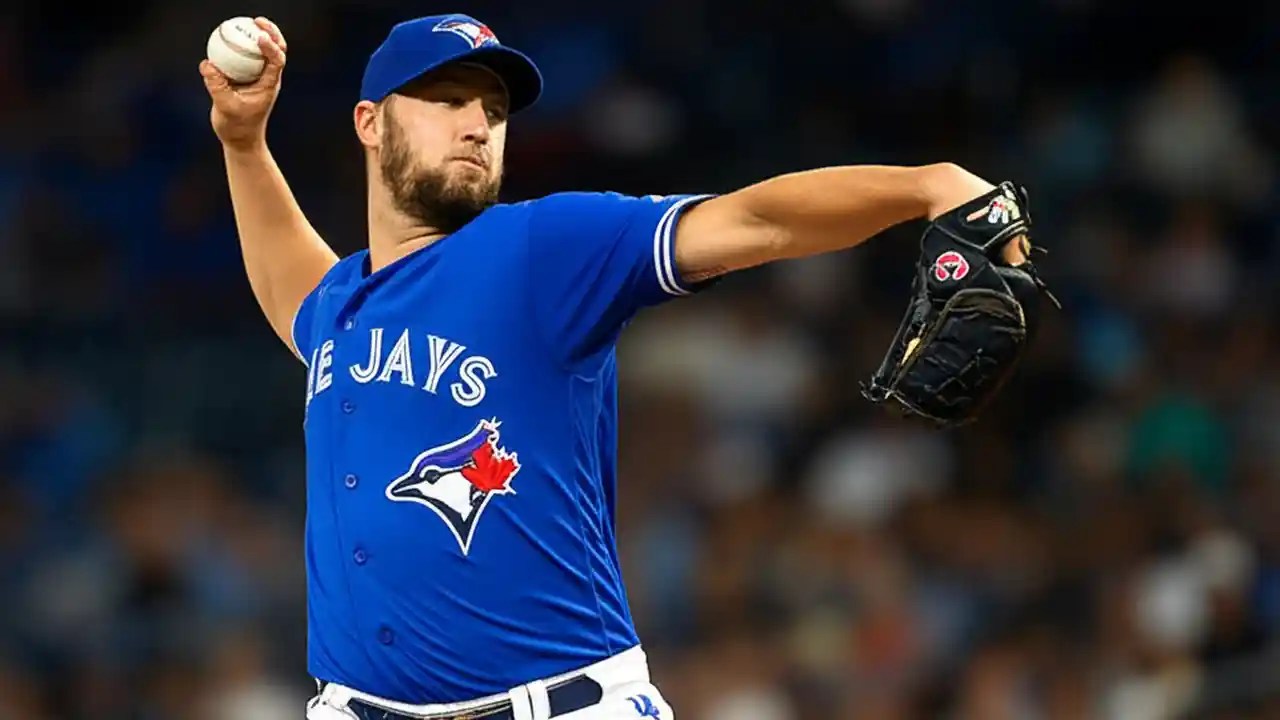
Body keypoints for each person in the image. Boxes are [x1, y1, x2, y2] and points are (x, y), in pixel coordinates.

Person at [199, 12, 1030, 720]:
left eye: (492, 109)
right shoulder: (345, 304)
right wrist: (244, 145)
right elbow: (293, 292)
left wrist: (928, 184)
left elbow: (753, 221)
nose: (475, 124)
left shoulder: (541, 248)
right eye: (446, 100)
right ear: (370, 122)